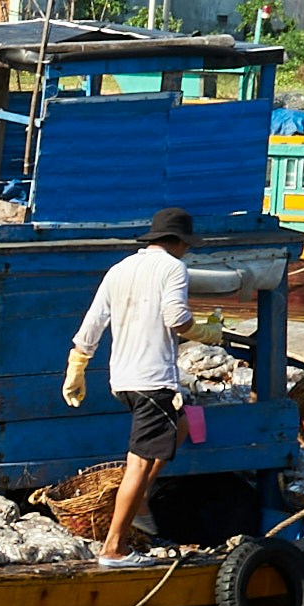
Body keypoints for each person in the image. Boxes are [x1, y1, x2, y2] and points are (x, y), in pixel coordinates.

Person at [66, 207, 195, 554]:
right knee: (137, 463)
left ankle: (141, 496)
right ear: (179, 242)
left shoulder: (119, 269)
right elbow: (176, 316)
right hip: (153, 380)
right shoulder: (174, 268)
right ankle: (113, 547)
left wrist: (77, 363)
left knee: (185, 424)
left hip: (123, 379)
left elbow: (93, 321)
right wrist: (204, 329)